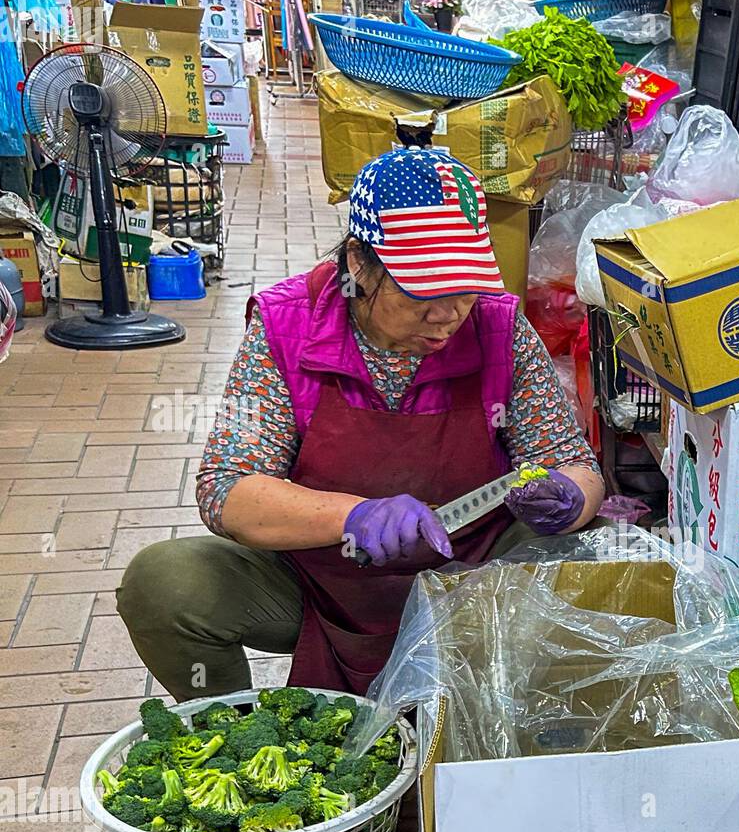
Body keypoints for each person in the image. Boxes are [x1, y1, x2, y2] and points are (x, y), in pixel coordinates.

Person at [119, 150, 604, 699]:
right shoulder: (287, 327)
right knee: (166, 583)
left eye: (463, 288)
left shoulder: (498, 326)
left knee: (602, 549)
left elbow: (574, 464)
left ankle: (518, 730)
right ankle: (231, 731)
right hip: (323, 585)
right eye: (423, 291)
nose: (448, 315)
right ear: (358, 261)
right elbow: (227, 491)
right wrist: (354, 515)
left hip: (472, 580)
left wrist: (570, 495)